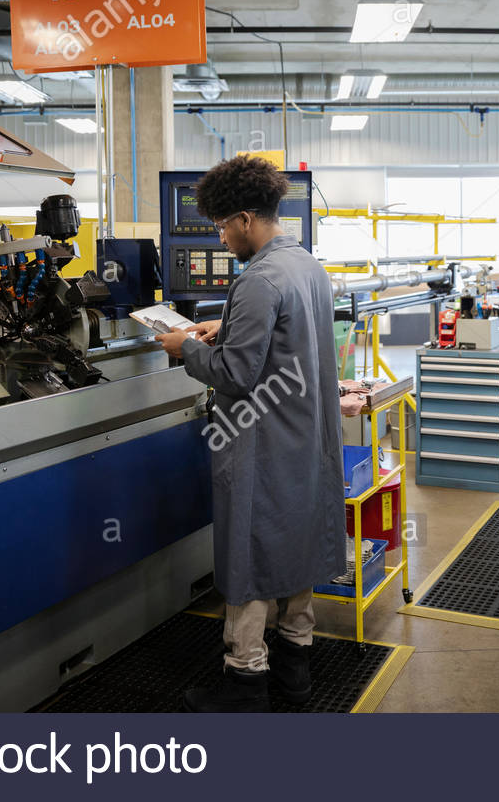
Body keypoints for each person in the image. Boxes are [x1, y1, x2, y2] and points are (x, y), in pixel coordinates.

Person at [156, 154, 345, 712]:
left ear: (245, 218)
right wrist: (228, 327)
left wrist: (184, 348)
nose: (219, 239)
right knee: (296, 548)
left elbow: (236, 375)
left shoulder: (258, 279)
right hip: (305, 441)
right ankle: (295, 677)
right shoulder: (305, 264)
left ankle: (244, 686)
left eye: (221, 227)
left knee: (251, 556)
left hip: (262, 443)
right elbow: (286, 341)